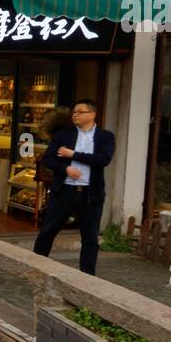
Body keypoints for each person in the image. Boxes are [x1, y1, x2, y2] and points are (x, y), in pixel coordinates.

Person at [33, 99, 116, 275]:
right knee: (48, 230)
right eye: (74, 112)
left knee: (90, 237)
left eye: (80, 111)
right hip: (64, 190)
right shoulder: (64, 134)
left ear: (92, 114)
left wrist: (73, 155)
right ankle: (36, 266)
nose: (75, 115)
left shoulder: (105, 136)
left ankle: (87, 276)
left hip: (90, 193)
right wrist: (66, 169)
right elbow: (48, 159)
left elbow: (103, 160)